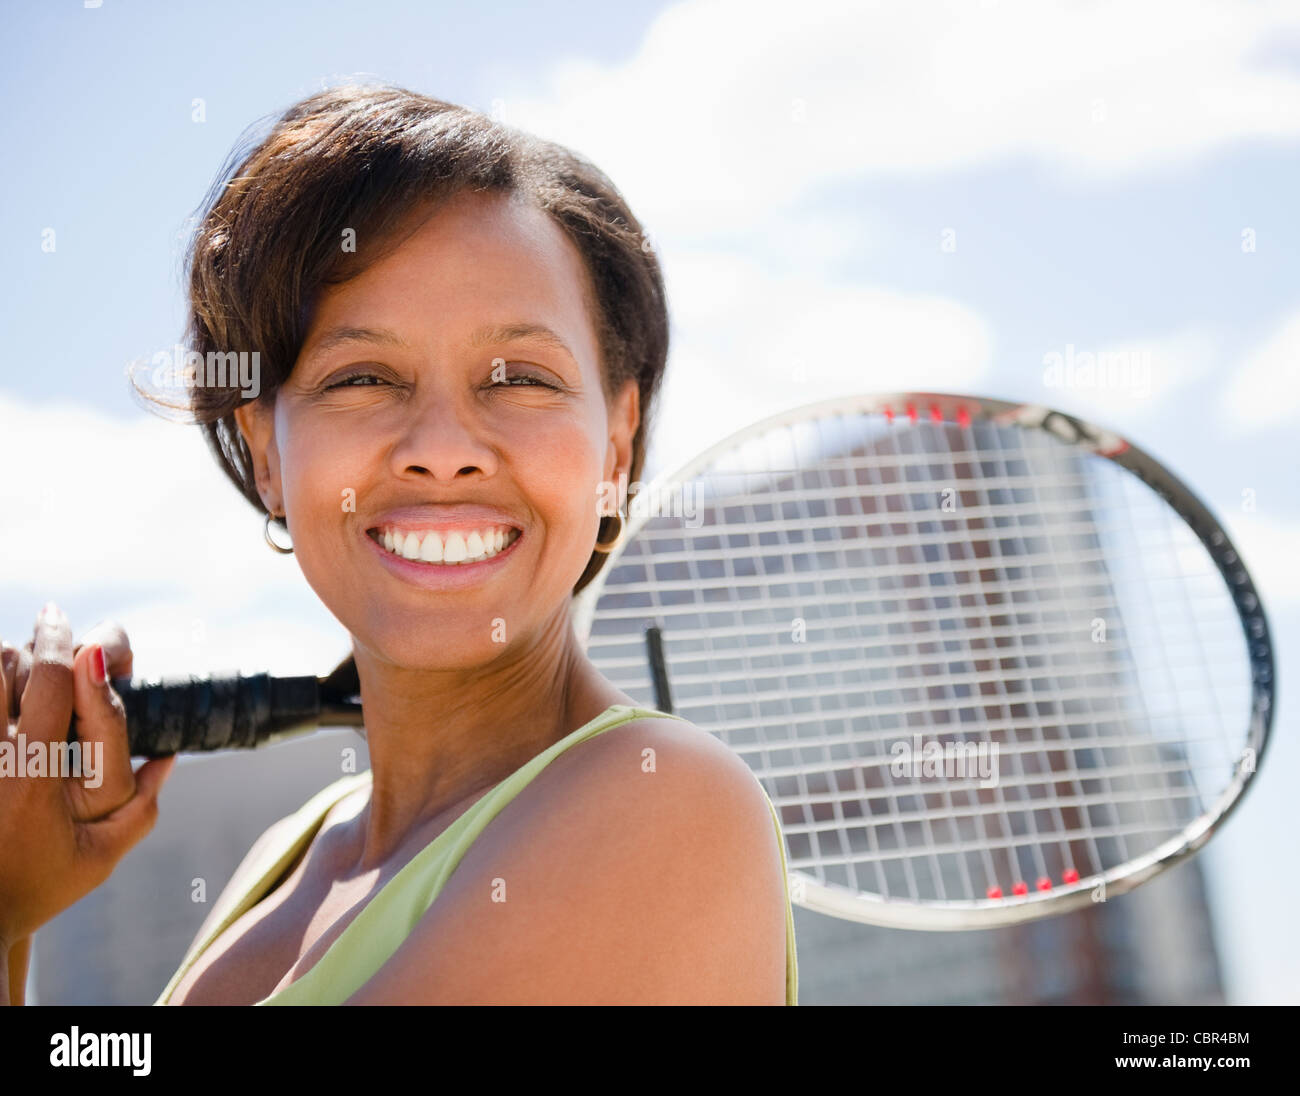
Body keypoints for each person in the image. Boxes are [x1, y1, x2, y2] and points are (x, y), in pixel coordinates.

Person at [0, 83, 798, 1006]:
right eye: (364, 375)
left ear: (615, 445)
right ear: (267, 452)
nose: (443, 452)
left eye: (520, 377)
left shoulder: (669, 808)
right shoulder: (290, 854)